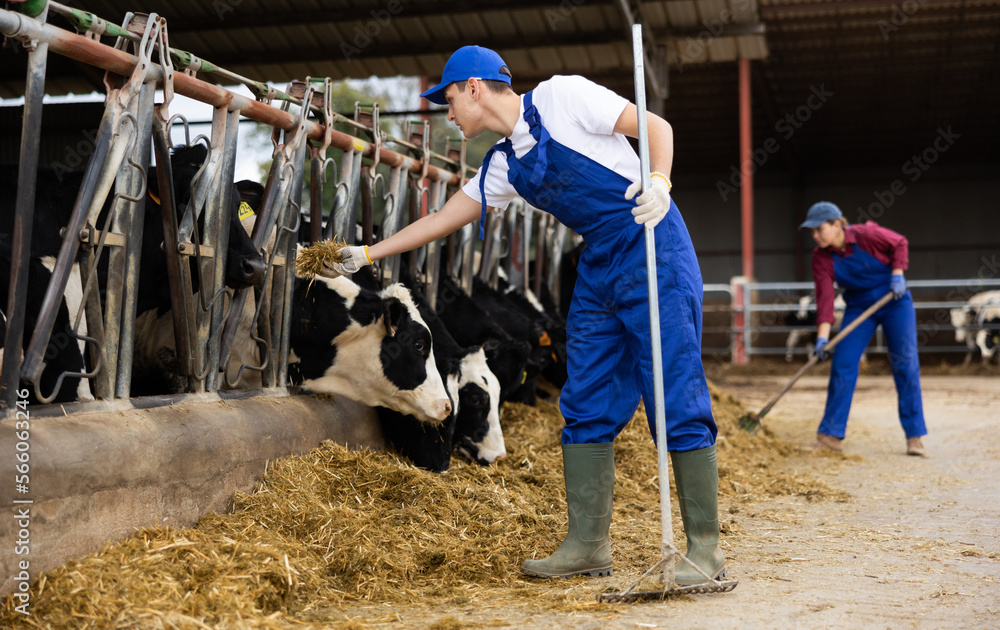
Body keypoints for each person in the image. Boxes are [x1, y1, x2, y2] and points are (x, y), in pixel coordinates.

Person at [325, 45, 725, 584]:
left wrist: (661, 182)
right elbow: (444, 218)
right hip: (600, 265)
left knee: (673, 389)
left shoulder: (564, 96)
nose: (448, 115)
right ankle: (588, 544)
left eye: (447, 101)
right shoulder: (504, 164)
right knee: (585, 397)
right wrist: (370, 253)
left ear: (473, 87)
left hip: (653, 245)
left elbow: (657, 126)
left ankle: (704, 551)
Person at [800, 201, 927, 456]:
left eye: (819, 229)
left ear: (837, 225)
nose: (815, 236)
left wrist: (898, 273)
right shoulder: (820, 257)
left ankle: (914, 436)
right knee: (843, 364)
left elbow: (899, 242)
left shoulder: (866, 235)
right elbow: (825, 299)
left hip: (894, 301)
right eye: (812, 231)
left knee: (905, 363)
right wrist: (822, 340)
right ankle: (830, 437)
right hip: (859, 308)